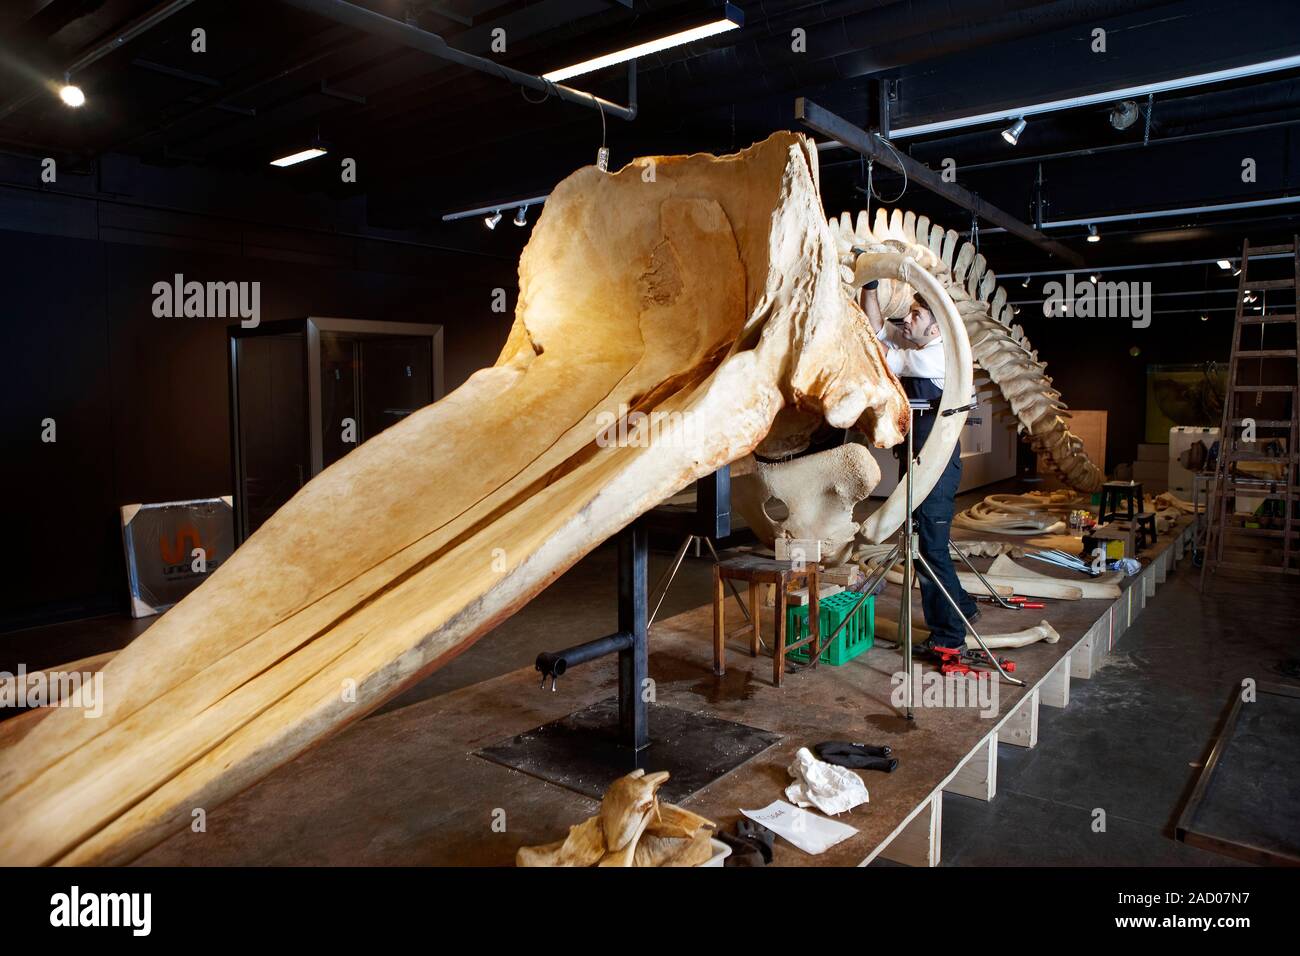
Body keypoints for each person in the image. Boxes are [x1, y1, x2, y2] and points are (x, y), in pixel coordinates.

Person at [861, 281, 979, 653]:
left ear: (935, 327)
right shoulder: (923, 349)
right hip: (917, 465)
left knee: (930, 550)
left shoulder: (935, 357)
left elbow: (877, 348)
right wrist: (870, 287)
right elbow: (878, 331)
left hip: (936, 470)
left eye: (917, 315)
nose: (907, 319)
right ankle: (964, 608)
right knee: (929, 546)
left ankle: (948, 637)